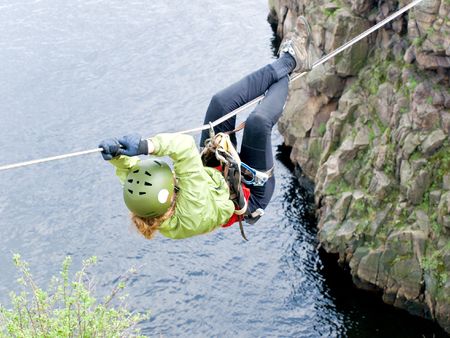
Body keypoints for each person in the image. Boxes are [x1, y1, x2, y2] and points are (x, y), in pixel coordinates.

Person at [99, 16, 312, 240]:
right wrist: (146, 145)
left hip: (214, 175)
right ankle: (290, 61)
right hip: (248, 194)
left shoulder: (146, 202)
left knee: (220, 103)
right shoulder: (192, 210)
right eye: (172, 179)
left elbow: (130, 175)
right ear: (170, 197)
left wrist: (117, 155)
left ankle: (289, 61)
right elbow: (183, 147)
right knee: (257, 124)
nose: (173, 176)